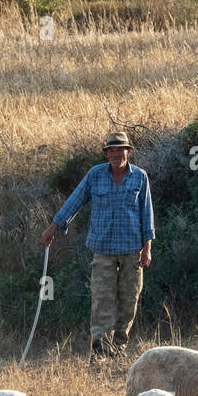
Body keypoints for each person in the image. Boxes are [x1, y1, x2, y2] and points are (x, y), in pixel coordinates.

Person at [41, 131, 154, 360]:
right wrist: (53, 227)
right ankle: (100, 351)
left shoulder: (140, 177)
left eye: (120, 149)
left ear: (128, 152)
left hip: (132, 249)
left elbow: (146, 213)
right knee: (102, 300)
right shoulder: (95, 175)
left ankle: (118, 348)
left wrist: (147, 247)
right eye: (111, 150)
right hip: (102, 250)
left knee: (129, 300)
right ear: (106, 154)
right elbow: (75, 201)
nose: (115, 154)